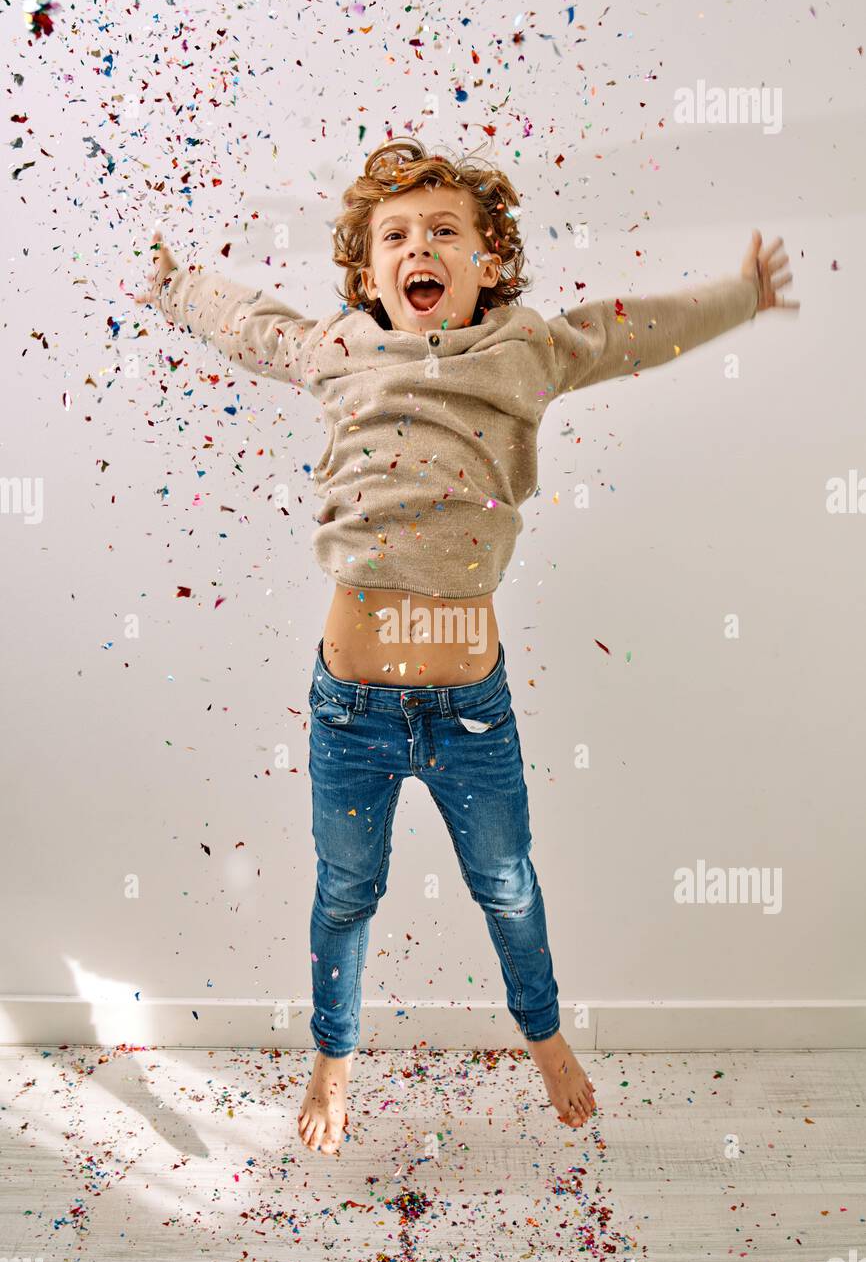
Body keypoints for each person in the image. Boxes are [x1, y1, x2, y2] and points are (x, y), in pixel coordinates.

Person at [134, 137, 797, 1155]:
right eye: (394, 236)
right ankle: (331, 1057)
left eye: (444, 230)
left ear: (489, 263)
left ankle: (544, 1037)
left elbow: (629, 331)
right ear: (367, 276)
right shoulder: (341, 349)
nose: (418, 246)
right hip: (351, 708)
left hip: (469, 708)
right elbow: (253, 329)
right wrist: (179, 287)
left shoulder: (526, 350)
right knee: (346, 890)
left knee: (506, 884)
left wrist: (740, 295)